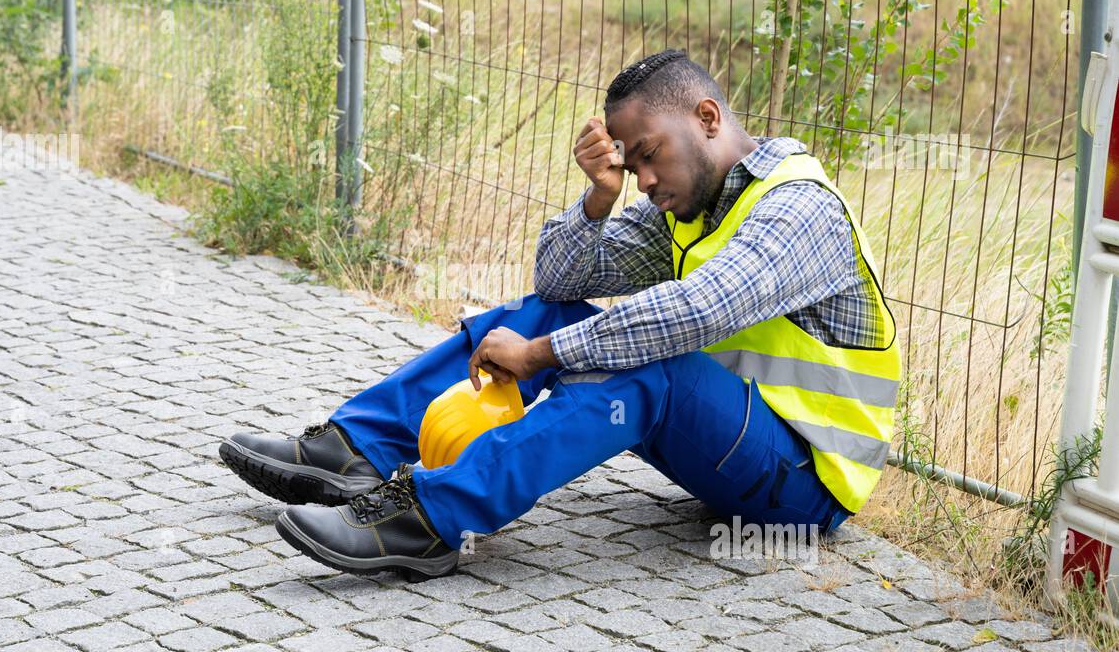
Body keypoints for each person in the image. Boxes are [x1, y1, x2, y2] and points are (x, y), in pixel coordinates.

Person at [219, 49, 900, 581]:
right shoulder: (697, 206)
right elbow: (558, 282)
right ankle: (354, 451)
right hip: (732, 442)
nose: (645, 181)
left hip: (802, 488)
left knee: (647, 365)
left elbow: (692, 314)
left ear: (708, 118)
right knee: (546, 314)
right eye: (630, 168)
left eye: (649, 156)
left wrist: (540, 357)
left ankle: (428, 522)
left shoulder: (799, 208)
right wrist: (597, 200)